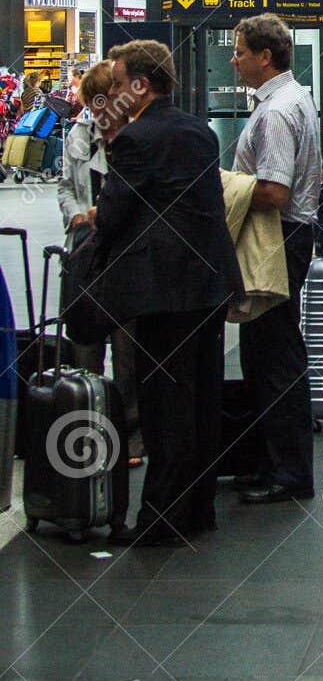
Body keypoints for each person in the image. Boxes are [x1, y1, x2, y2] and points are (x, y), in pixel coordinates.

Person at [91, 41, 239, 546]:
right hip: (209, 281)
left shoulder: (136, 139)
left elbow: (114, 215)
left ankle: (160, 518)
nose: (111, 93)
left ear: (141, 85)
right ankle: (198, 509)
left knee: (163, 406)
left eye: (117, 83)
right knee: (200, 397)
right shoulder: (199, 130)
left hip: (164, 287)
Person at [231, 14, 321, 506]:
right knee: (266, 350)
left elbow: (274, 190)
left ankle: (289, 473)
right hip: (290, 237)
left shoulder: (275, 112)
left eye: (240, 50)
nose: (234, 58)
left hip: (278, 237)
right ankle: (272, 461)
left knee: (275, 354)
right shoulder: (293, 99)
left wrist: (227, 187)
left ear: (266, 56)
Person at [57, 60, 141, 465]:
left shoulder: (134, 139)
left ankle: (130, 435)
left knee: (128, 350)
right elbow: (65, 185)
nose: (96, 109)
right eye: (91, 101)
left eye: (104, 100)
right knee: (85, 345)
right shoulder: (78, 135)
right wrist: (76, 214)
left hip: (125, 255)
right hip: (84, 252)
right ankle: (88, 434)